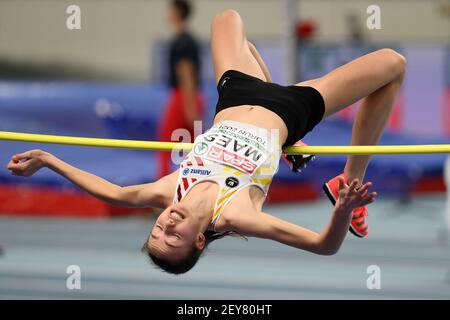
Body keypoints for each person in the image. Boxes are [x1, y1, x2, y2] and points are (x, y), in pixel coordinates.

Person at [7, 10, 406, 274]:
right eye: (173, 237)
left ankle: (292, 142)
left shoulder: (169, 191)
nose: (166, 225)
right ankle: (346, 179)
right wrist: (343, 209)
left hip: (236, 93)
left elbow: (112, 192)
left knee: (227, 19)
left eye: (157, 230)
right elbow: (324, 246)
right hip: (289, 111)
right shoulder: (235, 216)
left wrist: (47, 158)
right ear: (199, 240)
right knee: (392, 64)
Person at [158, 0, 204, 178]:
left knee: (166, 145)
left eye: (170, 10)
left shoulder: (182, 42)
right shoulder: (186, 40)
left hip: (184, 96)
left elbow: (186, 72)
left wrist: (189, 105)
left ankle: (162, 193)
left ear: (177, 13)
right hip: (191, 95)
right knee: (195, 147)